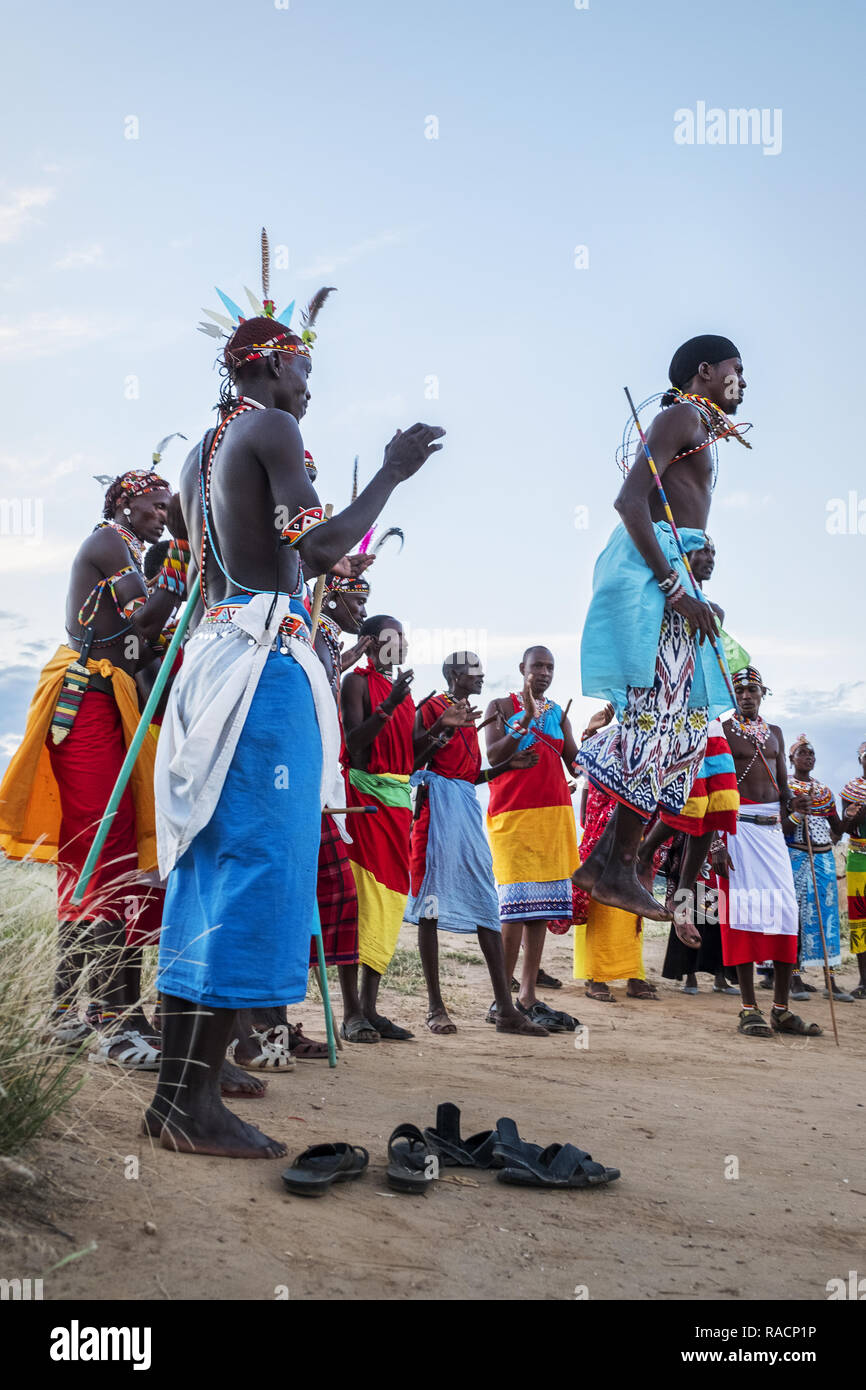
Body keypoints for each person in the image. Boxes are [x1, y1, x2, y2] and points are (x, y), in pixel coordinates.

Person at [147, 289, 444, 1156]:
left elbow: (207, 569)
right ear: (274, 361)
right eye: (305, 366)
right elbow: (317, 548)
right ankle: (190, 1109)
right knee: (258, 873)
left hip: (211, 662)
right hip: (259, 669)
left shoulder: (199, 454)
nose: (310, 384)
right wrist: (391, 471)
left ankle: (176, 1099)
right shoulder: (270, 429)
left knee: (209, 870)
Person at [0, 467, 183, 1068]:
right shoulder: (108, 542)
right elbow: (143, 624)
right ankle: (111, 1018)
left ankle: (63, 1014)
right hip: (86, 706)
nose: (161, 514)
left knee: (102, 856)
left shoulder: (132, 550)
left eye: (167, 508)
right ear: (125, 503)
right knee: (105, 852)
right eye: (155, 506)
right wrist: (182, 553)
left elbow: (150, 644)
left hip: (115, 707)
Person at [576, 336, 750, 920]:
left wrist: (694, 570)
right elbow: (630, 502)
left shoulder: (698, 426)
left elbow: (668, 513)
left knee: (679, 725)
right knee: (658, 723)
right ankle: (621, 866)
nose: (744, 384)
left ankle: (605, 862)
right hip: (659, 591)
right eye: (736, 371)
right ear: (705, 371)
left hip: (675, 581)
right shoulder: (678, 416)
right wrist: (676, 590)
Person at [406, 651, 548, 1036]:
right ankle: (436, 1008)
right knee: (430, 907)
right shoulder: (433, 707)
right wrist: (441, 730)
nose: (482, 679)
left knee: (487, 901)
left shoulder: (467, 713)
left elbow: (467, 776)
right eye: (475, 674)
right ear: (454, 674)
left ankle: (506, 1009)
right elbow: (412, 761)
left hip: (465, 811)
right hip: (434, 811)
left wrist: (507, 766)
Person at [340, 614, 458, 1041]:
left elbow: (409, 760)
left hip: (396, 805)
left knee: (388, 907)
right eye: (395, 637)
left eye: (405, 637)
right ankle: (351, 1012)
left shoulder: (403, 694)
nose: (404, 644)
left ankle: (371, 1009)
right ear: (371, 642)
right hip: (365, 804)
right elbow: (355, 744)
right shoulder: (356, 682)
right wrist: (388, 706)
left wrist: (441, 731)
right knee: (361, 904)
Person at [716, 668, 821, 1038]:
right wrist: (715, 840)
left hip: (773, 832)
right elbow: (711, 784)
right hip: (736, 830)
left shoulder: (775, 733)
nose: (746, 695)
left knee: (784, 913)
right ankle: (749, 1009)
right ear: (732, 694)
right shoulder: (722, 730)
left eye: (753, 690)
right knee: (742, 916)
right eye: (740, 690)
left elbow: (783, 791)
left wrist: (798, 804)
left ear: (763, 693)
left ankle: (781, 1009)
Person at [483, 646, 581, 1031]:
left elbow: (574, 762)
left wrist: (590, 733)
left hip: (554, 815)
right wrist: (524, 718)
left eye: (550, 667)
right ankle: (501, 1001)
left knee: (539, 908)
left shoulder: (558, 713)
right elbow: (493, 755)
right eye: (537, 666)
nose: (544, 672)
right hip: (513, 815)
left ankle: (527, 996)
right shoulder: (500, 705)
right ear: (521, 669)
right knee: (514, 907)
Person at [573, 706, 658, 1001]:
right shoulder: (606, 739)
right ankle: (596, 977)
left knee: (635, 908)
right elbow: (579, 770)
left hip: (637, 835)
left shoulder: (652, 745)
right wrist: (590, 730)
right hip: (602, 835)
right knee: (602, 906)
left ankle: (633, 973)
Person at [785, 734, 853, 1002]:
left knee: (827, 918)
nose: (808, 757)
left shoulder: (824, 791)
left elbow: (837, 829)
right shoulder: (786, 789)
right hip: (797, 856)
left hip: (823, 857)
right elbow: (783, 827)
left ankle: (831, 981)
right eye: (802, 753)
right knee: (796, 916)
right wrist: (799, 812)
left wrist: (848, 818)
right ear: (792, 759)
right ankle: (794, 977)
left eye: (811, 753)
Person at [841, 742, 866, 998]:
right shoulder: (852, 790)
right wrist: (852, 815)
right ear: (860, 760)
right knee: (860, 918)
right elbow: (844, 827)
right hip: (859, 857)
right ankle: (863, 979)